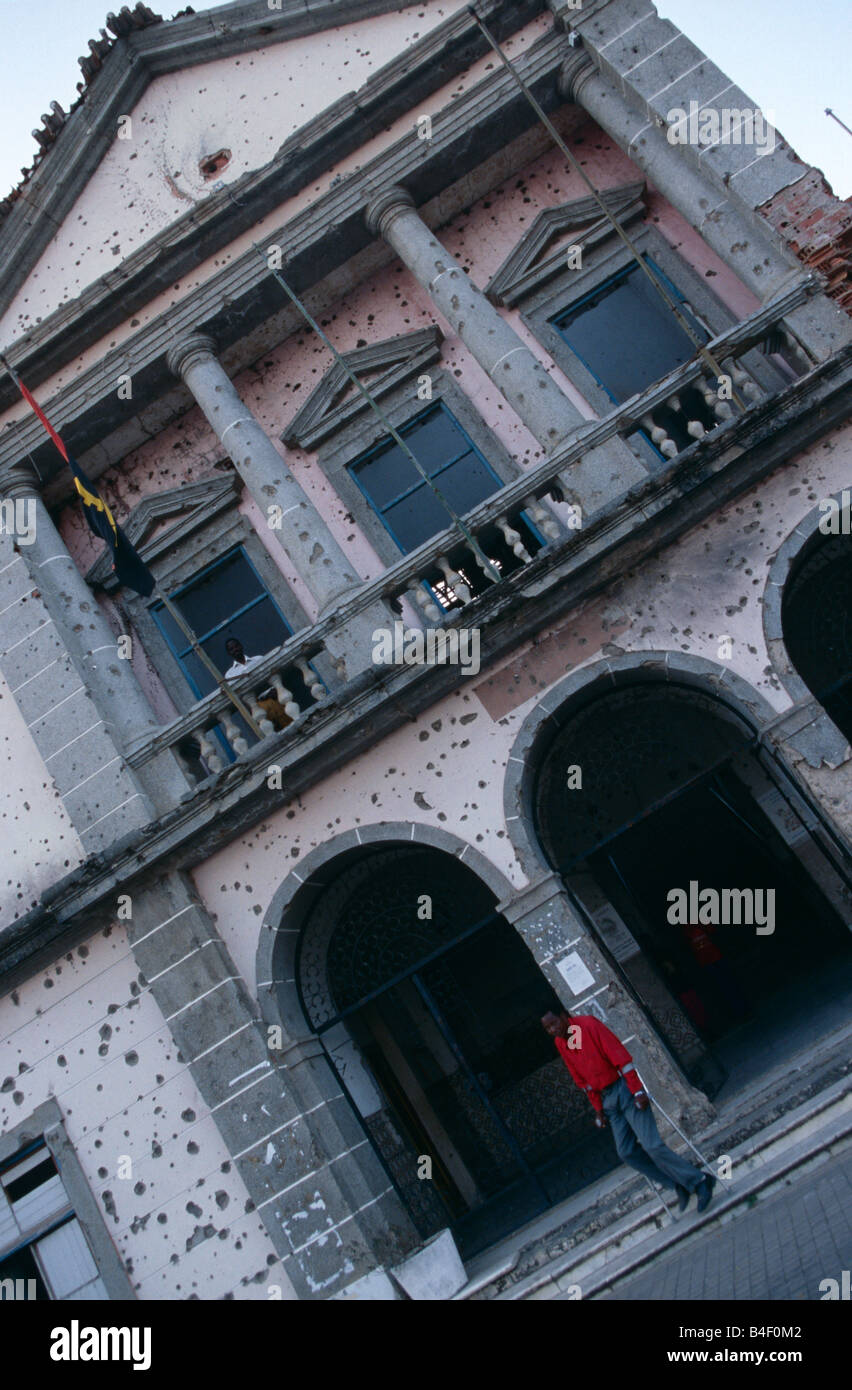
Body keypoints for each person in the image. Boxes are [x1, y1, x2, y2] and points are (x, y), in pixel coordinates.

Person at [542, 1006, 715, 1213]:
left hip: (623, 1088)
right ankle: (678, 1184)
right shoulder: (561, 1043)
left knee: (652, 1146)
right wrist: (598, 1109)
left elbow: (620, 1057)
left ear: (563, 1016)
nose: (553, 1030)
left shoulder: (587, 1025)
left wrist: (637, 1091)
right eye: (548, 1028)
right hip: (608, 1100)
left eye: (554, 1023)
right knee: (626, 1152)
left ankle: (700, 1181)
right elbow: (582, 1080)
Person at [223, 636, 293, 732]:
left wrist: (276, 689)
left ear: (241, 646)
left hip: (276, 698)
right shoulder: (230, 674)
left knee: (292, 725)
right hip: (257, 707)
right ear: (228, 653)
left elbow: (273, 674)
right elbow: (238, 696)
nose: (235, 650)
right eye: (231, 649)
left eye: (236, 646)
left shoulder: (258, 659)